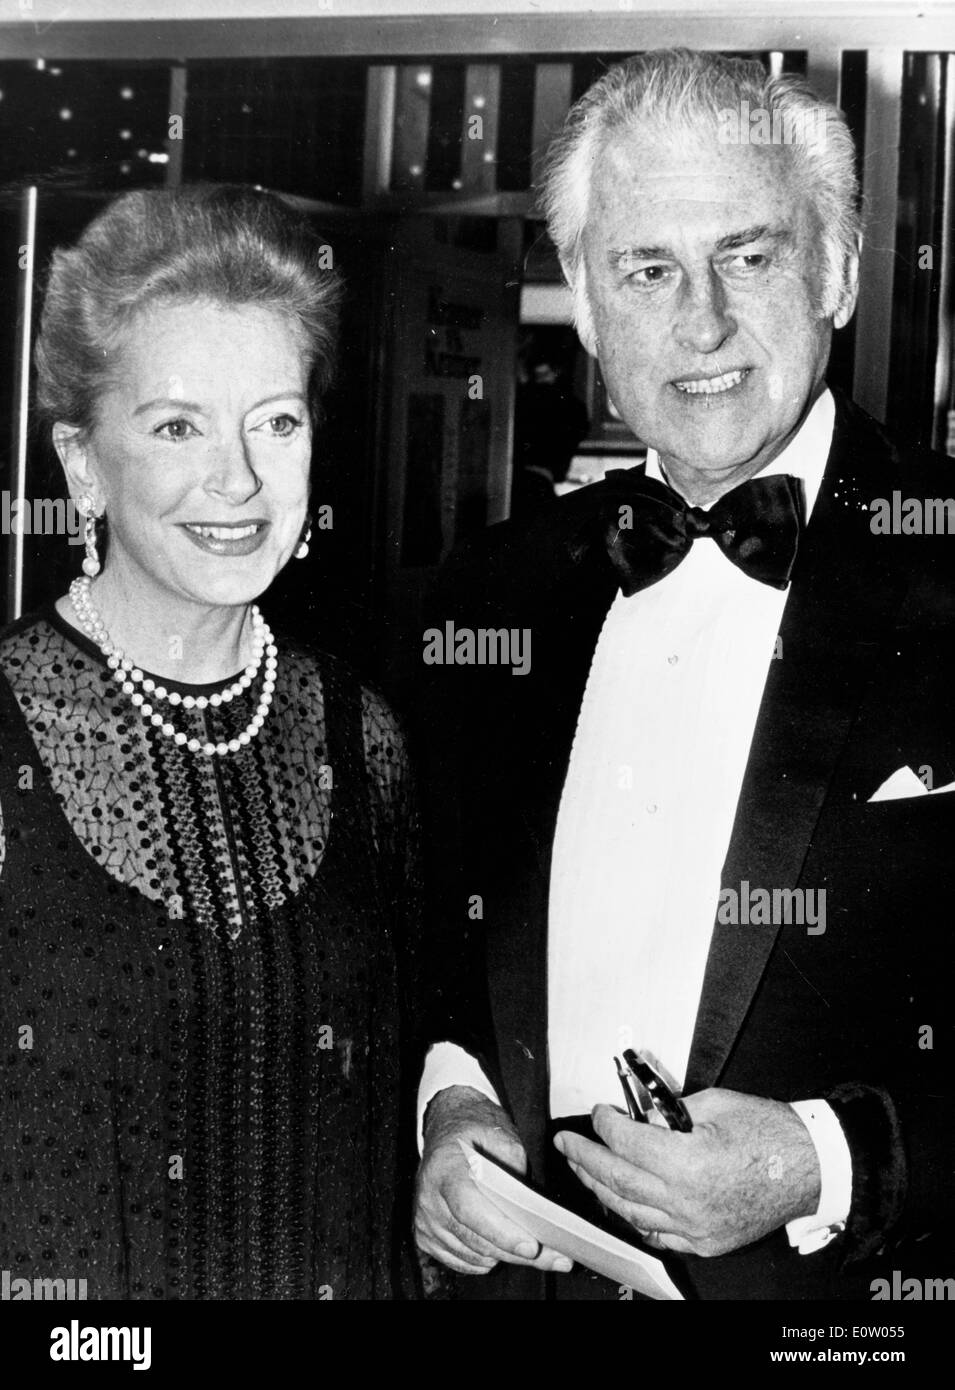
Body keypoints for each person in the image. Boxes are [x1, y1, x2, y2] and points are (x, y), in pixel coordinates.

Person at [412, 49, 954, 1300]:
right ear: (589, 307)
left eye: (750, 257)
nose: (700, 323)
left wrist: (829, 1160)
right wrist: (451, 1103)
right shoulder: (491, 594)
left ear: (839, 272)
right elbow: (442, 936)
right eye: (646, 270)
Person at [0, 185, 420, 1300]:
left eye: (275, 422)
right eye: (178, 425)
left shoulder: (358, 735)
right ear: (83, 463)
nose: (237, 481)